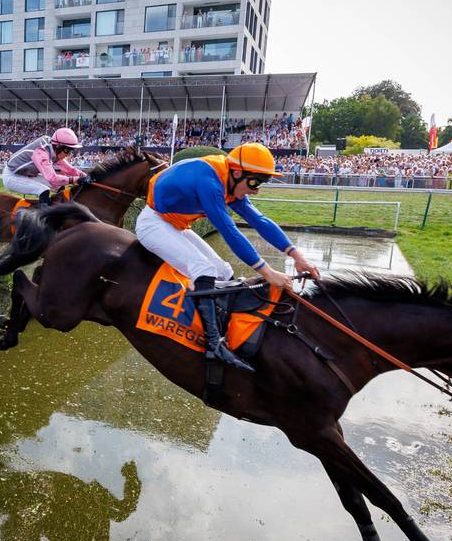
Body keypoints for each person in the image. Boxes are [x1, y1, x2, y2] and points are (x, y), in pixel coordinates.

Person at [136, 143, 320, 372]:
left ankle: (226, 330)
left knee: (223, 271)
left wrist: (297, 255)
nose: (256, 190)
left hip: (176, 225)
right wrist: (268, 274)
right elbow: (229, 231)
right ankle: (213, 345)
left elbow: (260, 221)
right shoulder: (210, 182)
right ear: (236, 172)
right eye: (255, 182)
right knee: (203, 269)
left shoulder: (229, 180)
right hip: (153, 224)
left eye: (262, 183)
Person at [1, 127, 90, 207]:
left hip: (26, 174)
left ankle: (60, 208)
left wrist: (85, 176)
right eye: (68, 150)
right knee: (44, 190)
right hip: (11, 176)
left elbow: (70, 169)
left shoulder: (53, 148)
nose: (68, 154)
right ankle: (42, 219)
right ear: (59, 146)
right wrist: (76, 180)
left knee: (59, 187)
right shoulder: (41, 153)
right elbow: (52, 178)